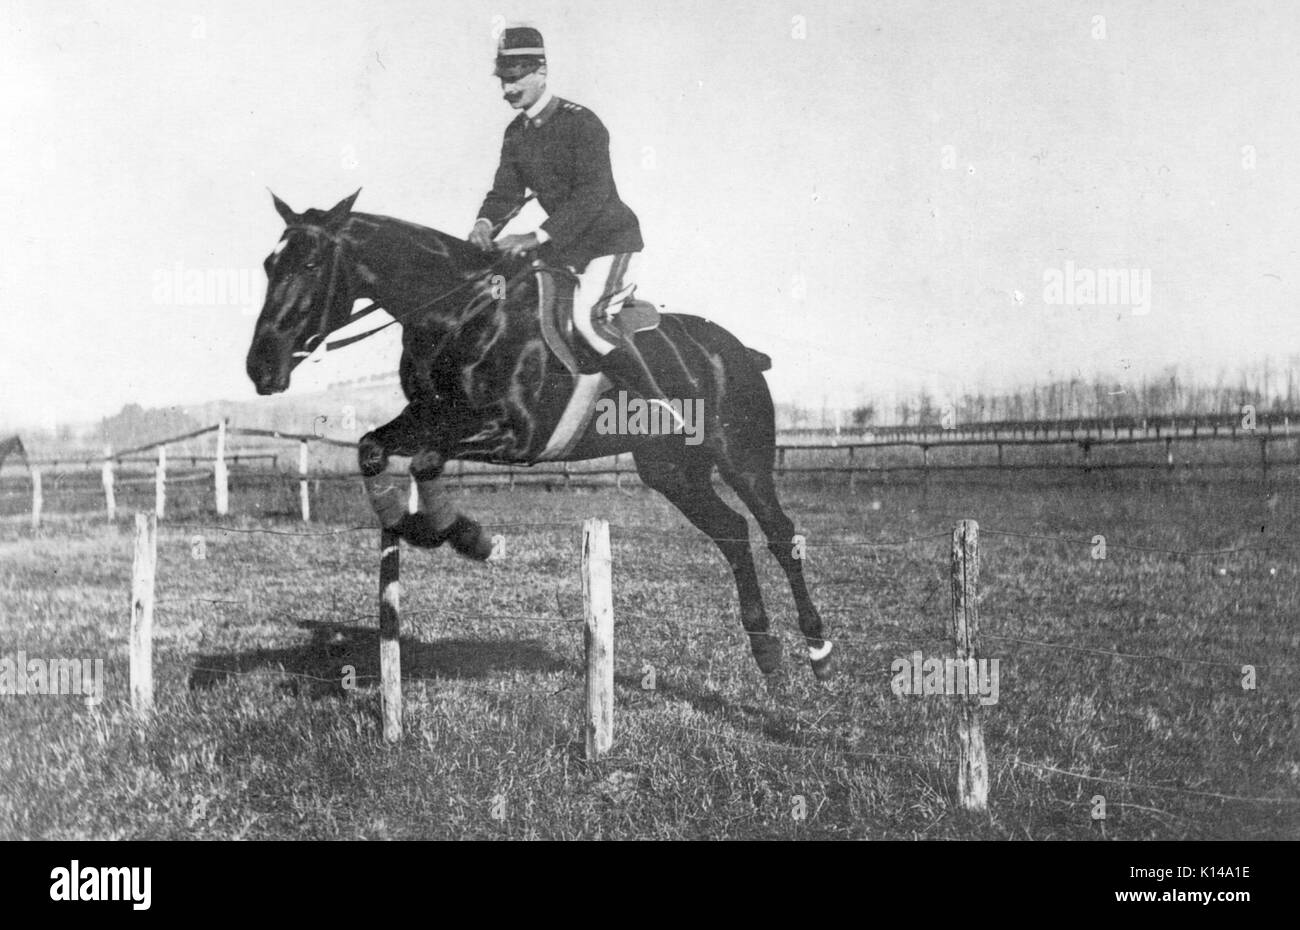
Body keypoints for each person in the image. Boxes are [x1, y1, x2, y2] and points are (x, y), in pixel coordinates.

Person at [469, 26, 673, 407]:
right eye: (503, 82)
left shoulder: (582, 122)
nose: (506, 91)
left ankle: (658, 406)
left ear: (541, 72)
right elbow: (505, 194)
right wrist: (484, 223)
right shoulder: (515, 133)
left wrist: (536, 237)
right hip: (565, 249)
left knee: (587, 320)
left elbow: (592, 194)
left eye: (514, 80)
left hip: (610, 244)